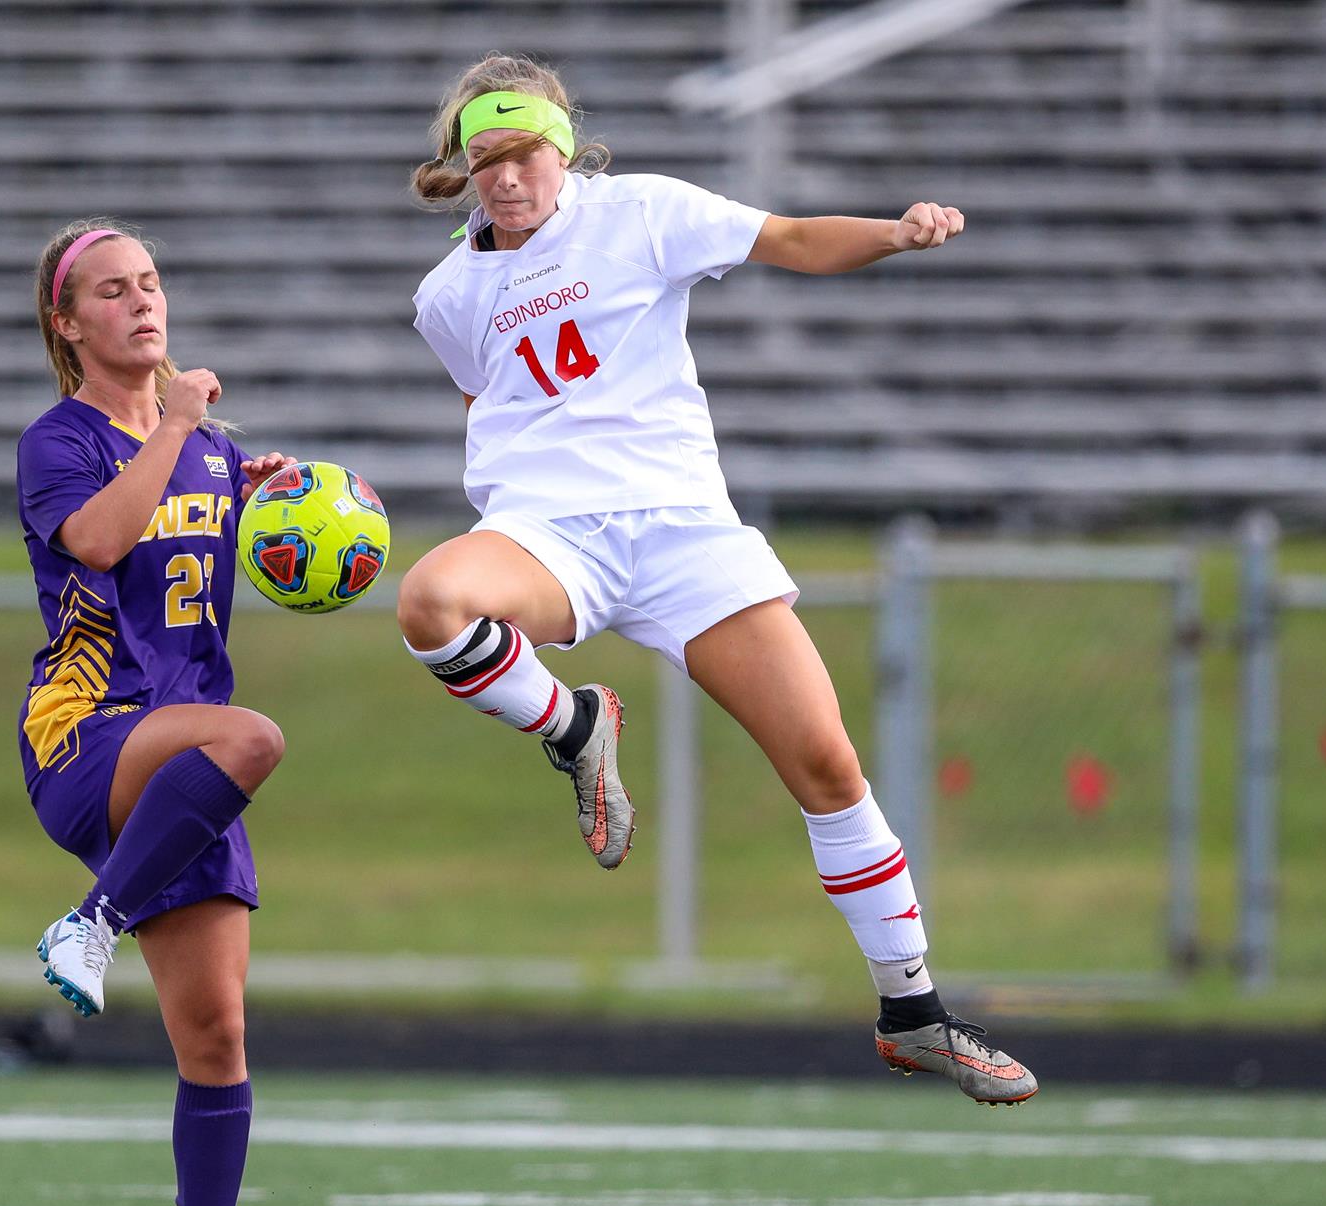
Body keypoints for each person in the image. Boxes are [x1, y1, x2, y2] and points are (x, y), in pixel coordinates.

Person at [399, 54, 1036, 1105]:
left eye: (522, 154)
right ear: (463, 165)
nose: (506, 177)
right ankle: (572, 727)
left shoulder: (641, 213)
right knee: (429, 600)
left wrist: (892, 231)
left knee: (826, 764)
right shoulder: (446, 292)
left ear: (563, 150)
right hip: (550, 533)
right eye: (485, 159)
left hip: (683, 531)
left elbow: (787, 239)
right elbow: (488, 401)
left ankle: (912, 1012)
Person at [19, 217, 290, 1206]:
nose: (143, 301)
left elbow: (196, 548)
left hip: (183, 758)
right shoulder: (60, 436)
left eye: (151, 282)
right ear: (67, 322)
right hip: (90, 729)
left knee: (215, 1031)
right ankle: (89, 923)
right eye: (113, 290)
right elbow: (96, 540)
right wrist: (177, 426)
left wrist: (268, 502)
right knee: (256, 736)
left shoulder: (212, 446)